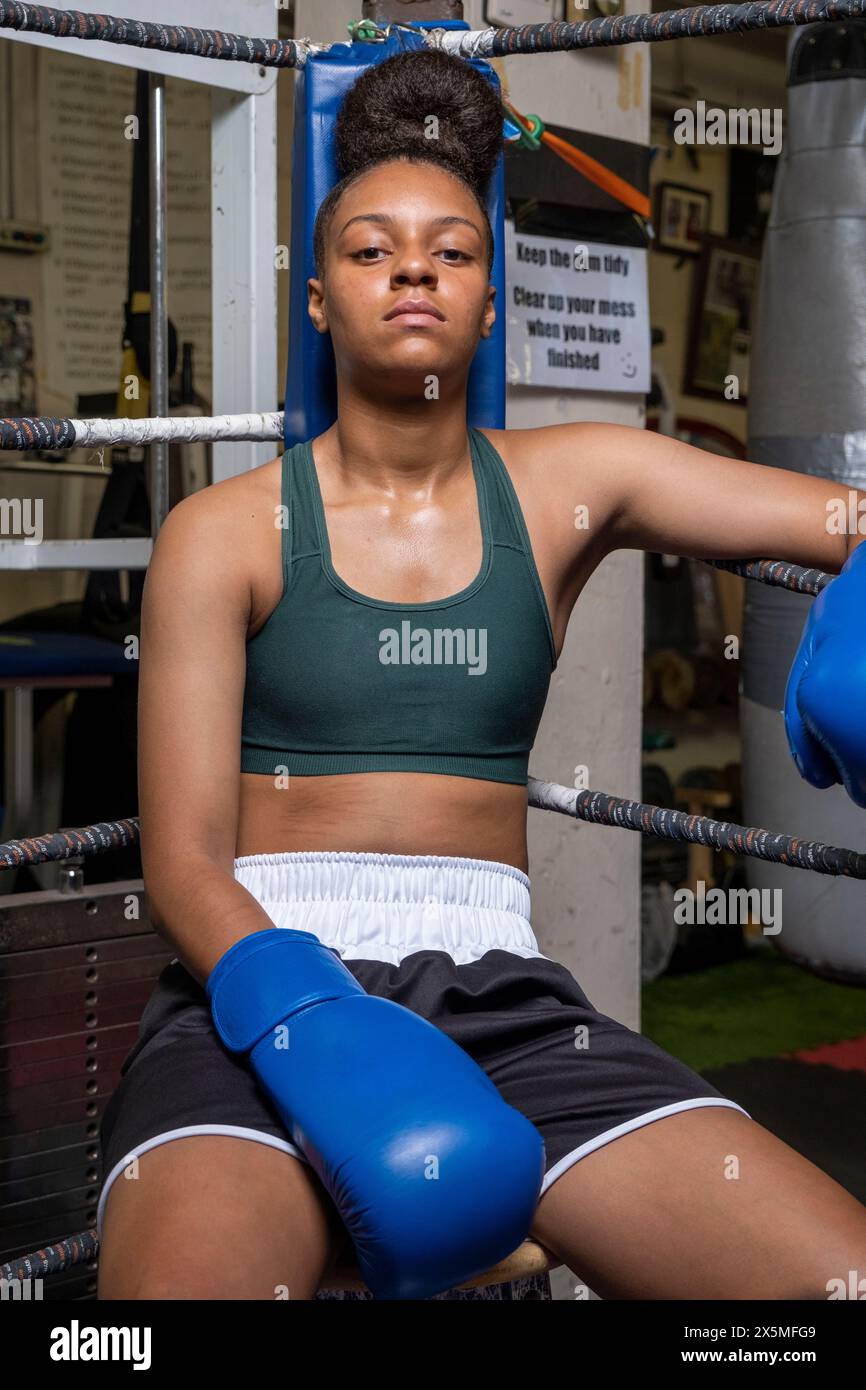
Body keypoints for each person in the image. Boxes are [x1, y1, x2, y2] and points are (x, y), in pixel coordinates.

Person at [97, 50, 866, 1300]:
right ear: (316, 299)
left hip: (508, 1002)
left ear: (491, 302)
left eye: (452, 250)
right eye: (370, 249)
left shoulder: (572, 482)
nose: (413, 268)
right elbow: (183, 862)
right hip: (256, 985)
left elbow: (843, 516)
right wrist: (315, 1022)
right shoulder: (223, 530)